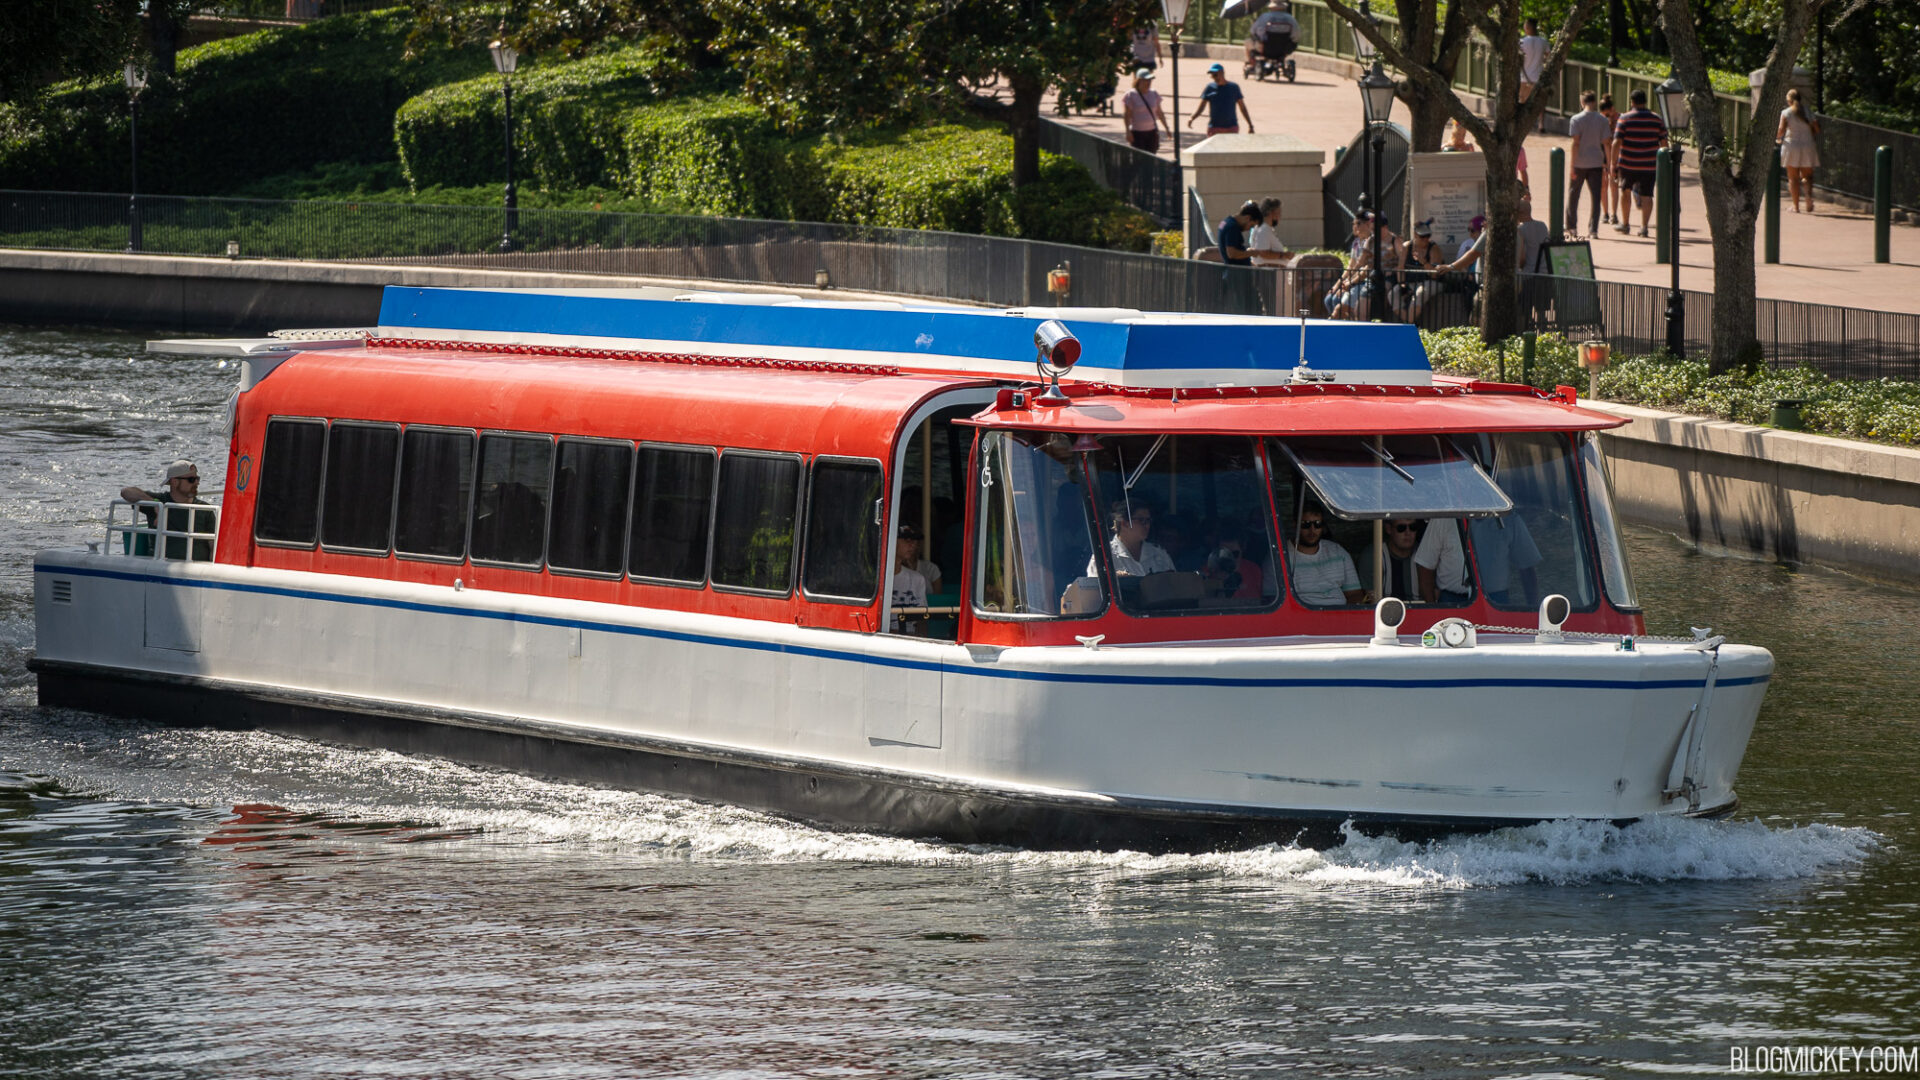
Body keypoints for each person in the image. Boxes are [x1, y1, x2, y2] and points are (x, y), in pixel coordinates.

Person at [1611, 89, 1668, 237]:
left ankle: (1625, 223)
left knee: (1625, 191)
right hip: (1649, 165)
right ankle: (1644, 227)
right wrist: (1664, 162)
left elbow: (1617, 142)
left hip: (1628, 163)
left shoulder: (1624, 118)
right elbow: (1664, 142)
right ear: (1645, 101)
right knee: (1647, 195)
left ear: (1632, 101)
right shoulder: (1656, 119)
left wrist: (1613, 163)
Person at [1289, 507, 1365, 606]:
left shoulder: (1338, 552)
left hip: (1338, 616)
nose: (1312, 530)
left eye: (1317, 524)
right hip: (1301, 617)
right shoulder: (1280, 556)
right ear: (1295, 525)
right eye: (1306, 524)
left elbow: (1354, 593)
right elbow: (1272, 598)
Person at [1469, 513, 1542, 608]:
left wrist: (1533, 609)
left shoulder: (1510, 520)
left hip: (1497, 599)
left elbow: (1527, 567)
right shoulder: (1449, 517)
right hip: (1457, 598)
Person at [1564, 91, 1610, 238]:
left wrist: (1572, 165)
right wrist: (1609, 164)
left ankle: (1572, 227)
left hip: (1580, 162)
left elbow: (1575, 143)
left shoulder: (1576, 119)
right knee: (1596, 197)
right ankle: (1593, 229)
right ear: (1595, 102)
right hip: (1596, 161)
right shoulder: (1602, 120)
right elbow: (1607, 143)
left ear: (1582, 102)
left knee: (1573, 194)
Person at [1090, 503, 1175, 578]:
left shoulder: (1159, 554)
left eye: (1148, 520)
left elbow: (1175, 587)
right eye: (1141, 520)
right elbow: (1093, 591)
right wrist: (1115, 580)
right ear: (1124, 523)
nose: (1147, 525)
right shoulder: (1103, 557)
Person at [1777, 87, 1821, 214]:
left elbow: (1781, 130)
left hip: (1792, 146)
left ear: (1789, 101)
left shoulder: (1786, 113)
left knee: (1793, 178)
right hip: (1808, 145)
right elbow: (1817, 128)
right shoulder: (1808, 111)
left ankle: (1796, 206)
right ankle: (1808, 197)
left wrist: (1778, 138)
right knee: (1807, 176)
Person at [1396, 218, 1448, 323]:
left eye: (1428, 236)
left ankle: (1408, 326)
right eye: (1422, 236)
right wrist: (1402, 285)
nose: (1425, 239)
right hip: (1411, 282)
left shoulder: (1434, 248)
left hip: (1431, 282)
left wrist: (1423, 262)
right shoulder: (1406, 247)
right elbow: (1400, 268)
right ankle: (1410, 322)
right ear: (1415, 235)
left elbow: (1434, 275)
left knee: (1419, 294)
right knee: (1392, 294)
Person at [1412, 519, 1472, 605]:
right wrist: (1433, 608)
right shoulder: (1442, 519)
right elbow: (1425, 566)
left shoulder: (1497, 516)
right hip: (1450, 600)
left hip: (1492, 600)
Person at [121, 459, 204, 520]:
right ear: (174, 481)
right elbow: (126, 492)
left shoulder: (205, 509)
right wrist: (155, 504)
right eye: (191, 480)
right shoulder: (160, 501)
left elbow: (212, 543)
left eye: (197, 479)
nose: (197, 483)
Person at [1189, 63, 1254, 136]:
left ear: (1222, 73)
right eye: (1212, 75)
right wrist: (1192, 118)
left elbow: (1242, 108)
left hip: (1231, 128)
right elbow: (1201, 106)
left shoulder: (1234, 87)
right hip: (1214, 128)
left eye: (1215, 75)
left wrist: (1250, 125)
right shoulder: (1210, 88)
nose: (1214, 77)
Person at [890, 523, 932, 633]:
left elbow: (922, 620)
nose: (912, 545)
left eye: (914, 541)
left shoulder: (917, 579)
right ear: (891, 541)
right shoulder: (872, 579)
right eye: (907, 540)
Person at [1121, 69, 1171, 154]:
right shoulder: (1131, 95)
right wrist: (1127, 131)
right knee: (1139, 158)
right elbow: (1127, 115)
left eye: (1150, 80)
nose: (1148, 83)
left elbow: (1160, 113)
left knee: (1151, 157)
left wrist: (1167, 128)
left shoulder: (1154, 93)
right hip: (1137, 133)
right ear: (1139, 80)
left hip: (1152, 132)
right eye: (1146, 80)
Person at [1205, 531, 1265, 601]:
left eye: (1235, 553)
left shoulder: (1254, 570)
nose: (1230, 558)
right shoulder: (1206, 572)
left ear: (1242, 549)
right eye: (1224, 554)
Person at [1375, 519, 1424, 602]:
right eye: (1401, 528)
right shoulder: (1374, 555)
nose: (1408, 533)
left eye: (1413, 527)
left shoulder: (1426, 554)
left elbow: (1433, 596)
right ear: (1388, 529)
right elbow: (1372, 598)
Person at [1245, 1, 1300, 73]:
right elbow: (1296, 35)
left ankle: (1252, 64)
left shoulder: (1264, 17)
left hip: (1265, 48)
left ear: (1271, 7)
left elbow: (1253, 31)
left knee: (1247, 42)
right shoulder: (1291, 19)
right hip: (1283, 49)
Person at [1247, 197, 1290, 266]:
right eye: (1279, 212)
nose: (1280, 216)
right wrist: (1284, 255)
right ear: (1271, 213)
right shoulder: (1263, 229)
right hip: (1269, 273)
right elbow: (1263, 253)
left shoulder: (1265, 229)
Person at [1518, 18, 1547, 106]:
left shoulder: (1522, 42)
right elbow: (1548, 55)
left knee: (1522, 99)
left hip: (1524, 76)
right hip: (1538, 76)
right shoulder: (1543, 41)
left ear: (1527, 27)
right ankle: (1541, 120)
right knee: (1537, 103)